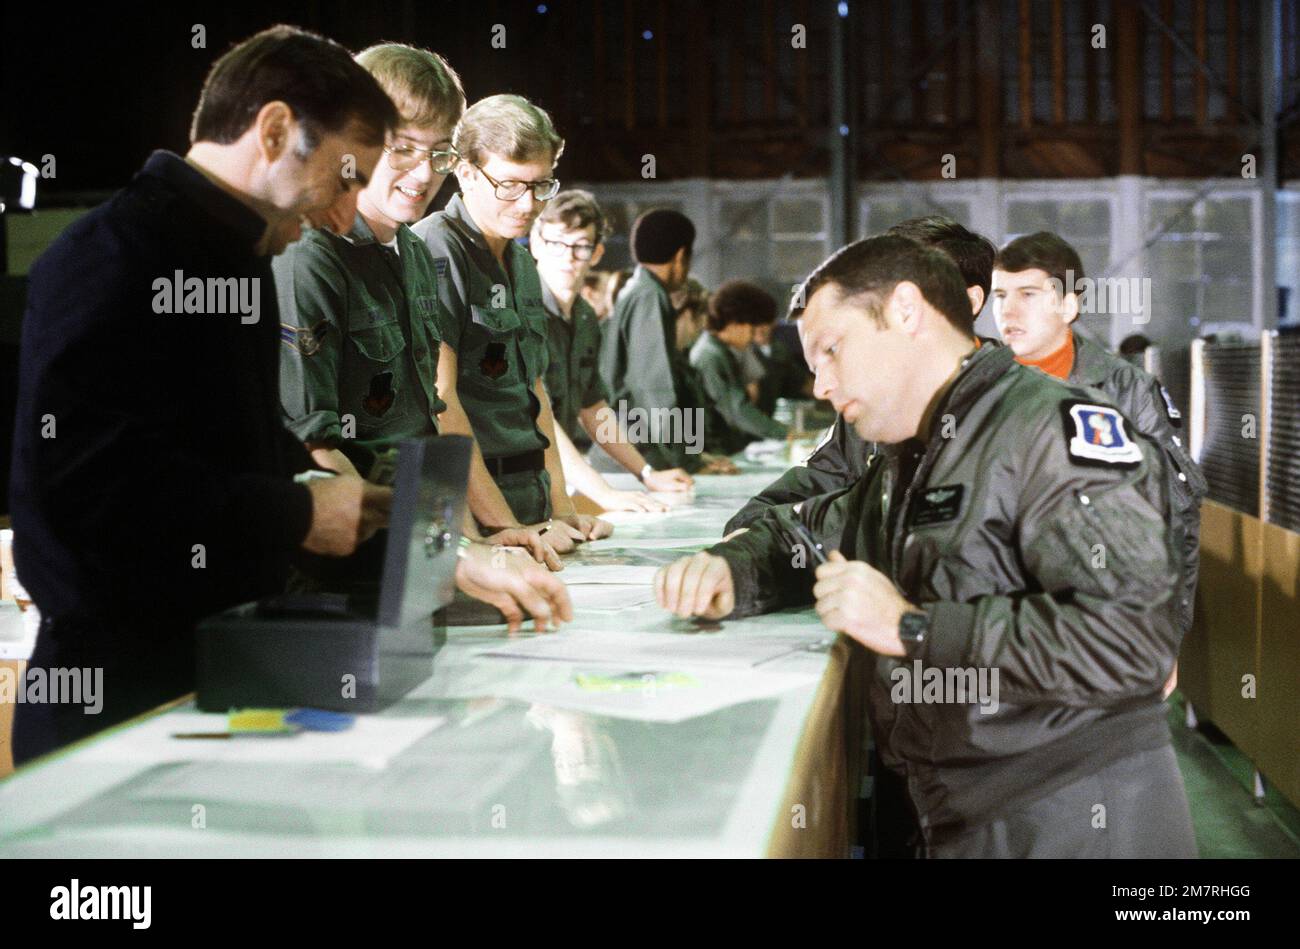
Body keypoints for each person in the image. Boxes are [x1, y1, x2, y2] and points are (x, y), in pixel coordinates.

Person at [655, 235, 1196, 858]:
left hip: (1068, 817)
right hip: (959, 809)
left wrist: (912, 628)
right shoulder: (913, 458)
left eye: (832, 350)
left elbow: (1131, 641)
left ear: (906, 312)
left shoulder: (1051, 432)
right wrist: (729, 569)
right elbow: (804, 529)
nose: (821, 385)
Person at [7, 26, 401, 760]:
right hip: (116, 703)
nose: (345, 215)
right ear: (275, 131)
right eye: (346, 178)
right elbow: (88, 495)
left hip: (220, 675)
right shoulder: (112, 253)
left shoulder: (237, 260)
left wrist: (364, 514)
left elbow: (225, 445)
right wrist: (297, 512)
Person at [274, 38, 569, 615]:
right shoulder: (310, 255)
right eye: (401, 148)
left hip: (413, 565)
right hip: (338, 583)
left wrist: (482, 539)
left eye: (438, 153)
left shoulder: (410, 251)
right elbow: (317, 452)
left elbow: (429, 431)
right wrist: (455, 552)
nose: (421, 172)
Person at [411, 95, 610, 554]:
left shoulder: (521, 263)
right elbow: (441, 401)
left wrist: (562, 511)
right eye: (510, 185)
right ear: (465, 172)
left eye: (540, 186)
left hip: (529, 500)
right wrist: (505, 526)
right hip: (477, 514)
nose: (527, 204)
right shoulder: (436, 249)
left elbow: (534, 393)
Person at [991, 232, 1206, 639]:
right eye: (1000, 295)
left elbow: (1176, 514)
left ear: (1068, 305)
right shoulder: (979, 392)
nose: (1008, 310)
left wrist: (1166, 632)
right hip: (1002, 627)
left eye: (1028, 294)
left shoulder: (1126, 391)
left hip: (1102, 626)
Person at [725, 216, 996, 533]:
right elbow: (813, 481)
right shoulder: (870, 392)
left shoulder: (1009, 402)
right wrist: (749, 536)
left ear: (969, 302)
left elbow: (928, 527)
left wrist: (779, 538)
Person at [529, 190, 693, 511]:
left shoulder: (584, 317)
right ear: (536, 244)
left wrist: (646, 473)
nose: (568, 257)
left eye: (580, 246)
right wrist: (604, 493)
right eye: (556, 243)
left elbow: (593, 408)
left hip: (551, 478)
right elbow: (539, 416)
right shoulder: (521, 311)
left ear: (597, 253)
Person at [599, 210, 737, 475]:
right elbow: (655, 389)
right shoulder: (650, 296)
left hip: (629, 449)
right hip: (639, 455)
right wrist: (688, 462)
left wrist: (696, 456)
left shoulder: (635, 289)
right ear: (681, 256)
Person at [688, 279, 789, 453]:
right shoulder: (711, 357)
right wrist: (785, 433)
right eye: (751, 329)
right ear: (734, 323)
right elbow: (736, 410)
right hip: (712, 452)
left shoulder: (723, 352)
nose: (753, 337)